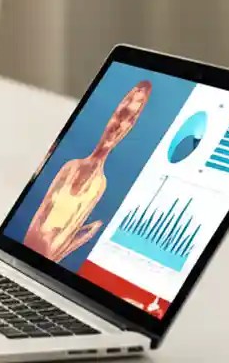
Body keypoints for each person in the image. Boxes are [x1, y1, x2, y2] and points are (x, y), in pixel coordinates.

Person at [22, 81, 152, 263]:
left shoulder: (99, 184)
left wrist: (55, 255)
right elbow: (40, 219)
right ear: (111, 116)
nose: (120, 125)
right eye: (120, 114)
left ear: (131, 127)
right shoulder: (71, 167)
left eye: (130, 119)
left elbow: (62, 239)